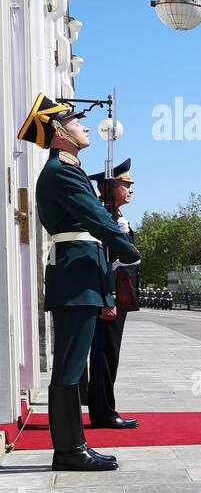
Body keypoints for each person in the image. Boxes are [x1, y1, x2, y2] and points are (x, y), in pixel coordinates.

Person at [20, 94, 140, 471]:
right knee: (70, 367)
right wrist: (128, 250)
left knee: (71, 366)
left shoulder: (68, 169)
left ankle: (74, 446)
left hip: (81, 273)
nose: (84, 125)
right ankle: (69, 451)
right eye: (76, 121)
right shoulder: (61, 171)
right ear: (58, 130)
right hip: (75, 276)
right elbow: (95, 219)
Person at [86, 159, 141, 430]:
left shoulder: (116, 217)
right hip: (110, 294)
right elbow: (102, 262)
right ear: (111, 186)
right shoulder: (104, 218)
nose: (131, 189)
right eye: (126, 184)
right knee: (103, 354)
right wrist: (107, 297)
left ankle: (104, 408)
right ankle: (103, 412)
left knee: (109, 353)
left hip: (120, 294)